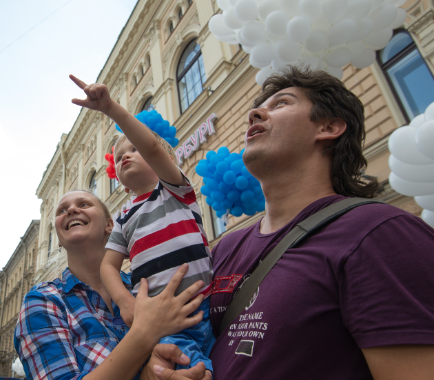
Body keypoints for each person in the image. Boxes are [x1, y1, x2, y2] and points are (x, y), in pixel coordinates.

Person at [144, 66, 434, 380]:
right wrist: (158, 367)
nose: (254, 113)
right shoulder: (225, 247)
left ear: (329, 126)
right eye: (258, 108)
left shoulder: (379, 232)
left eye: (281, 103)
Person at [69, 75, 214, 375]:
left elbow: (152, 147)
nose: (125, 157)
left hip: (198, 303)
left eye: (133, 150)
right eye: (119, 156)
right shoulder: (124, 217)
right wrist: (125, 302)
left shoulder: (175, 190)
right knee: (186, 362)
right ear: (120, 183)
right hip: (155, 314)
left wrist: (111, 109)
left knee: (195, 357)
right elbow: (109, 267)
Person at [14, 189, 209, 380]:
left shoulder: (143, 285)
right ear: (58, 239)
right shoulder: (42, 300)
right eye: (62, 210)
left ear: (110, 225)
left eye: (83, 204)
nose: (72, 210)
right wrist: (146, 333)